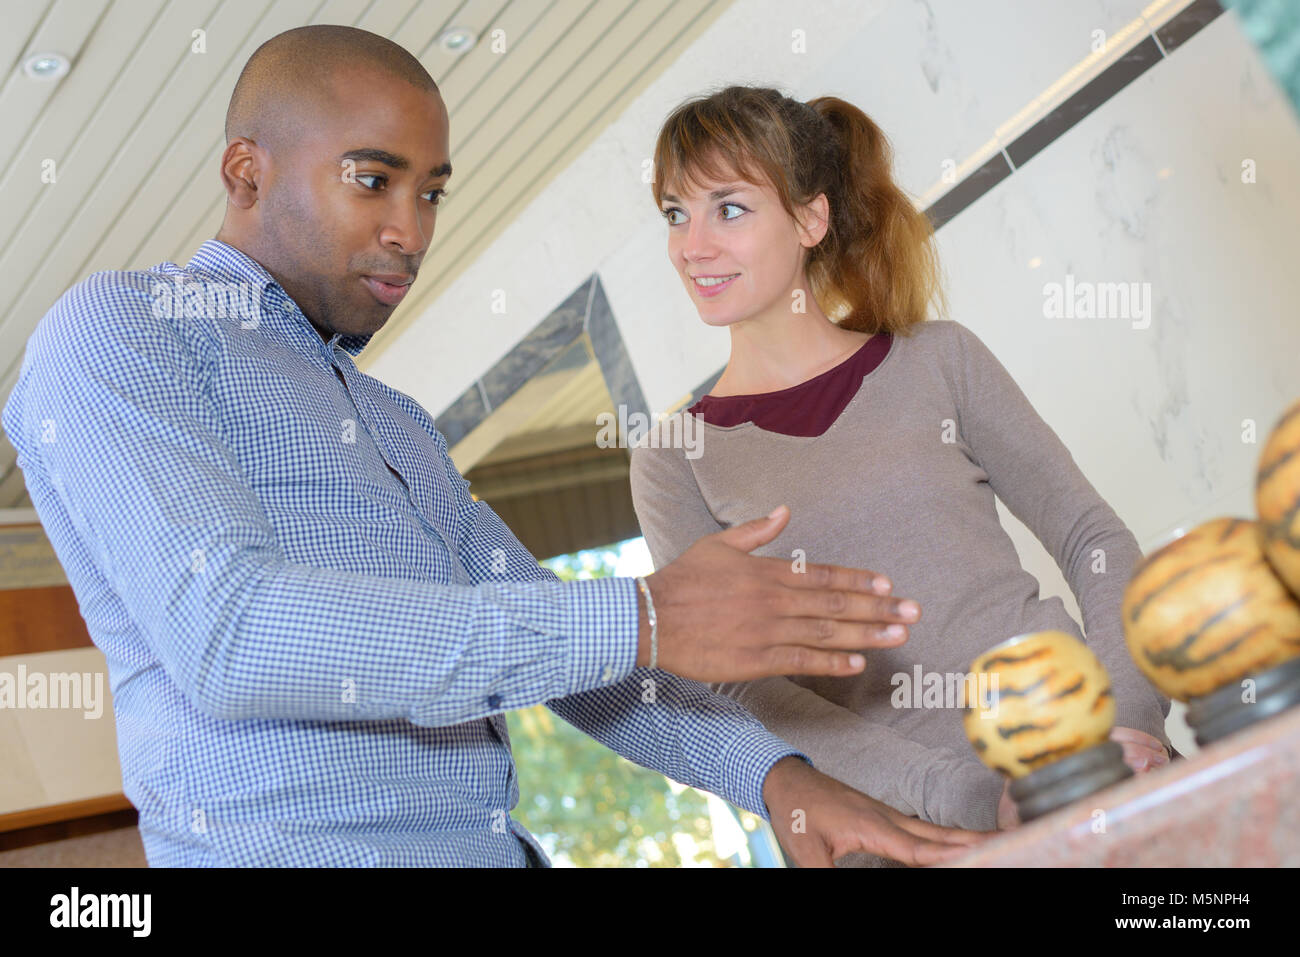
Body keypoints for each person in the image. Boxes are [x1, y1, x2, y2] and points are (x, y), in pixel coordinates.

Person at [0, 28, 987, 868]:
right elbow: (231, 635)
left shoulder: (391, 421)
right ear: (245, 169)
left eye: (431, 192)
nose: (408, 230)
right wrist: (643, 615)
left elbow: (567, 648)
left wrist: (780, 779)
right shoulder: (119, 331)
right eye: (373, 180)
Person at [628, 86, 1173, 867]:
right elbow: (745, 690)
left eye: (729, 208)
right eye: (676, 214)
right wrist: (970, 798)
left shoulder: (938, 359)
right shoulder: (674, 458)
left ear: (809, 219)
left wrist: (1129, 724)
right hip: (914, 838)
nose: (693, 245)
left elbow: (1092, 537)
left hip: (1102, 767)